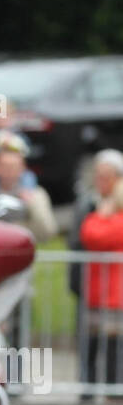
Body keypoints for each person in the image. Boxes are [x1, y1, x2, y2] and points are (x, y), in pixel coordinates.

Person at [73, 150, 123, 392]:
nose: (100, 182)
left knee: (114, 343)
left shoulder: (108, 211)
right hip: (95, 289)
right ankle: (88, 389)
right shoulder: (93, 204)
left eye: (107, 177)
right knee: (91, 342)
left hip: (115, 292)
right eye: (98, 176)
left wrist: (101, 216)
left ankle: (114, 391)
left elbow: (94, 235)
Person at [0, 130, 58, 243]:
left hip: (18, 249)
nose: (9, 171)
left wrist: (33, 205)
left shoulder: (36, 194)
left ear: (23, 168)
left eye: (13, 167)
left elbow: (48, 231)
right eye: (4, 166)